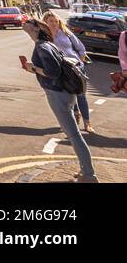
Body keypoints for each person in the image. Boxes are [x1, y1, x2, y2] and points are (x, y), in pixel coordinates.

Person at [20, 19, 97, 182]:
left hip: (57, 93)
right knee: (73, 134)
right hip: (64, 92)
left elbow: (53, 72)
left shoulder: (42, 46)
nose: (24, 22)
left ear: (37, 28)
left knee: (74, 135)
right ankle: (85, 170)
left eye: (30, 22)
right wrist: (35, 68)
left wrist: (32, 68)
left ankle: (89, 175)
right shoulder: (47, 44)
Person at [42, 12, 92, 132]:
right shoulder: (45, 37)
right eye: (50, 21)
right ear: (45, 23)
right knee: (67, 96)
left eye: (55, 21)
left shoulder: (66, 33)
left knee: (81, 95)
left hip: (75, 67)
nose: (54, 24)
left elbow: (81, 48)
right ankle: (73, 119)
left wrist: (80, 63)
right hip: (60, 70)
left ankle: (87, 123)